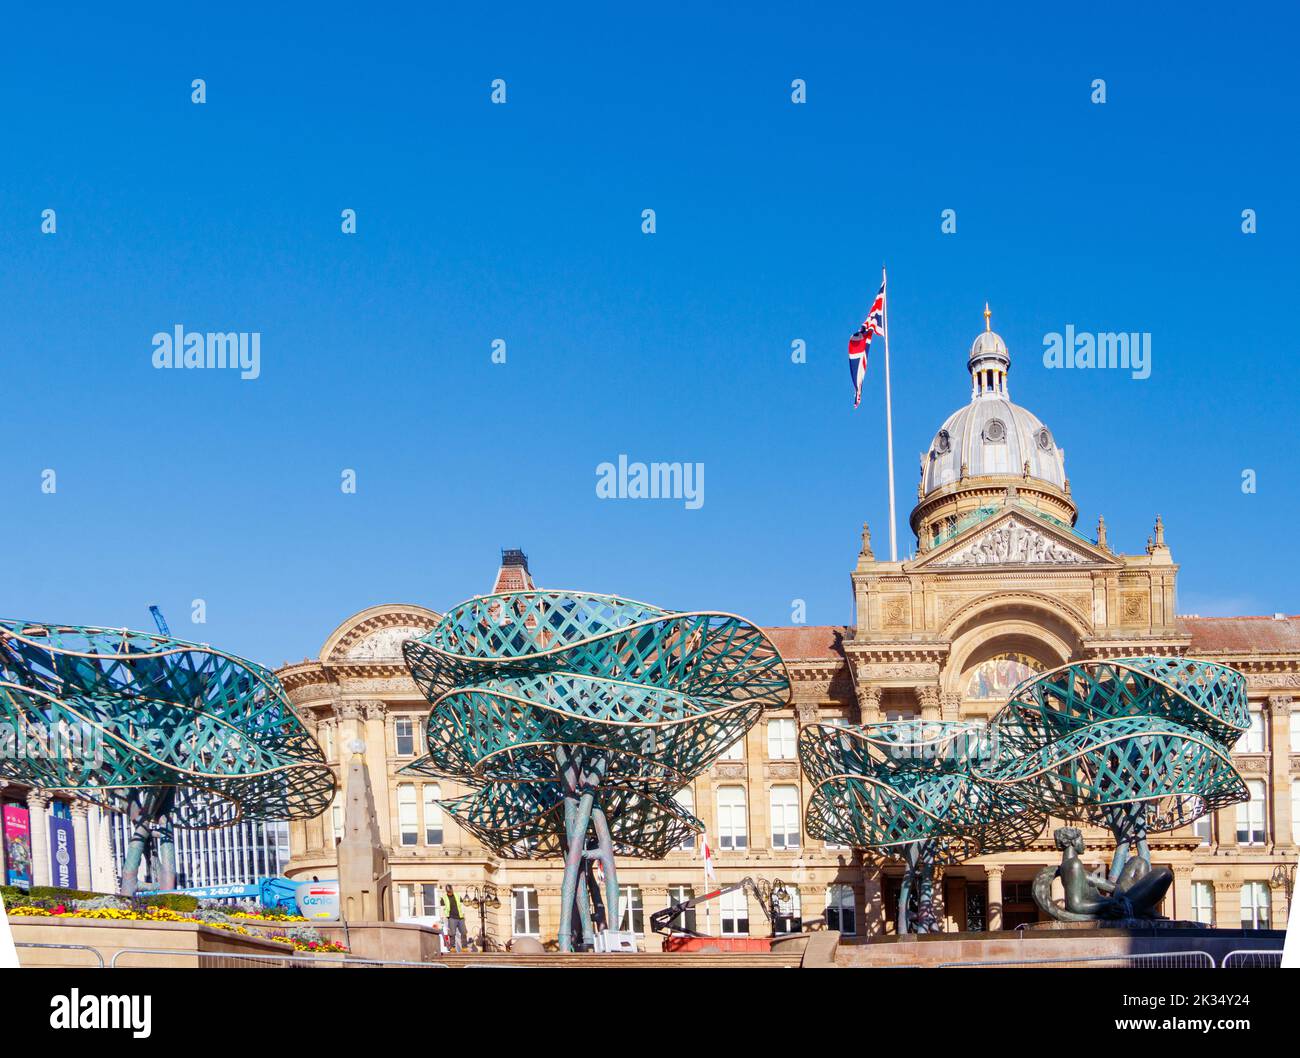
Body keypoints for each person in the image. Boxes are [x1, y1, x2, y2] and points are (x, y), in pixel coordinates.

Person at [442, 884, 468, 952]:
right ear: (447, 891)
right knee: (452, 933)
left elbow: (462, 905)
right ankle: (452, 947)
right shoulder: (443, 898)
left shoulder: (457, 896)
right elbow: (442, 908)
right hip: (451, 917)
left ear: (452, 890)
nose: (450, 893)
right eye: (449, 892)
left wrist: (463, 914)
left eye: (451, 891)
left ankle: (464, 947)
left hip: (460, 917)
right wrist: (444, 917)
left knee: (464, 932)